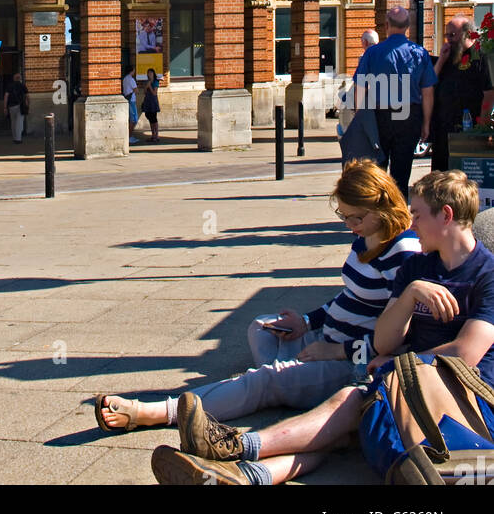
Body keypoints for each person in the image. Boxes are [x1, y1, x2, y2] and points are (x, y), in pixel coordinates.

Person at [150, 169, 494, 485]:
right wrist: (410, 296)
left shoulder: (486, 275)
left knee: (344, 404)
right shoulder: (416, 267)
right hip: (405, 380)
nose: (412, 222)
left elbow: (466, 354)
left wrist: (393, 366)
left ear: (445, 216)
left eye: (418, 214)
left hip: (465, 394)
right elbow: (385, 341)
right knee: (338, 431)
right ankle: (247, 476)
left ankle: (233, 447)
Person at [95, 160, 420, 433]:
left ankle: (158, 412)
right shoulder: (366, 237)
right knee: (261, 327)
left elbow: (393, 338)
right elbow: (349, 297)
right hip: (327, 340)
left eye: (356, 218)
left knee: (264, 380)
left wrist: (335, 351)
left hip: (351, 361)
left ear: (381, 205)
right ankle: (280, 382)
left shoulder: (403, 251)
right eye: (344, 217)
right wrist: (306, 323)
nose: (350, 226)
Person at [352, 5, 436, 199]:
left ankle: (378, 215)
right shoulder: (419, 53)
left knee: (377, 170)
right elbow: (428, 91)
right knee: (402, 170)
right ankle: (398, 214)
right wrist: (426, 123)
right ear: (408, 26)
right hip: (409, 116)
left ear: (387, 25)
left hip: (380, 116)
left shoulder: (372, 53)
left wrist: (360, 119)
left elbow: (360, 88)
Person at [430, 15, 492, 171]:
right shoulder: (448, 57)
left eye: (453, 35)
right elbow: (428, 83)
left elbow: (489, 94)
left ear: (468, 34)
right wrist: (441, 61)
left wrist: (481, 128)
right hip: (444, 130)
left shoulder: (483, 57)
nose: (449, 40)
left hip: (468, 129)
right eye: (447, 35)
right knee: (440, 176)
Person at [5, 73, 29, 144]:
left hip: (11, 106)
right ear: (20, 78)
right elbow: (27, 96)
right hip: (20, 106)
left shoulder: (9, 86)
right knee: (19, 123)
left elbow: (6, 96)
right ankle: (18, 139)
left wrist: (5, 107)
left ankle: (14, 137)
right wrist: (28, 104)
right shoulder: (22, 86)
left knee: (13, 122)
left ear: (14, 78)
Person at [142, 67, 161, 144]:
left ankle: (156, 135)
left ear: (153, 74)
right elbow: (144, 91)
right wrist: (147, 85)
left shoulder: (156, 82)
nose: (149, 74)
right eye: (148, 73)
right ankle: (152, 134)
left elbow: (154, 93)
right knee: (149, 116)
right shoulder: (147, 81)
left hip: (153, 101)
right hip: (147, 101)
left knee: (154, 118)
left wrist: (149, 85)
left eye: (151, 73)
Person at [122, 67, 139, 144]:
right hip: (131, 100)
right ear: (132, 71)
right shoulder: (131, 79)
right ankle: (129, 136)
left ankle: (129, 136)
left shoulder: (125, 79)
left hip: (127, 99)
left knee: (131, 118)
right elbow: (136, 90)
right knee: (134, 119)